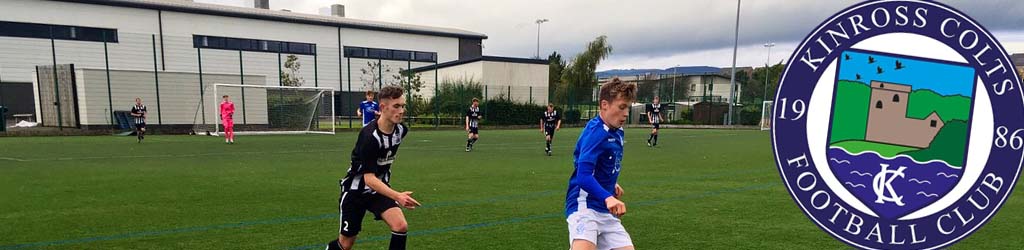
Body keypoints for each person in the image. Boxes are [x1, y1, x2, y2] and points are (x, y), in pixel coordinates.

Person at [327, 85, 420, 250]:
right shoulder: (369, 137)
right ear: (383, 108)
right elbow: (368, 178)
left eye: (403, 106)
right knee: (346, 244)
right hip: (355, 192)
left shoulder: (401, 130)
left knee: (400, 226)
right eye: (396, 106)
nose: (402, 110)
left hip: (378, 189)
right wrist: (397, 196)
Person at [565, 78, 636, 250]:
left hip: (605, 211)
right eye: (621, 107)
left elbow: (588, 162)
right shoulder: (595, 133)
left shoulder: (618, 131)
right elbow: (583, 176)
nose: (626, 113)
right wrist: (608, 197)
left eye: (628, 107)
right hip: (585, 207)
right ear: (604, 105)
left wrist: (610, 183)